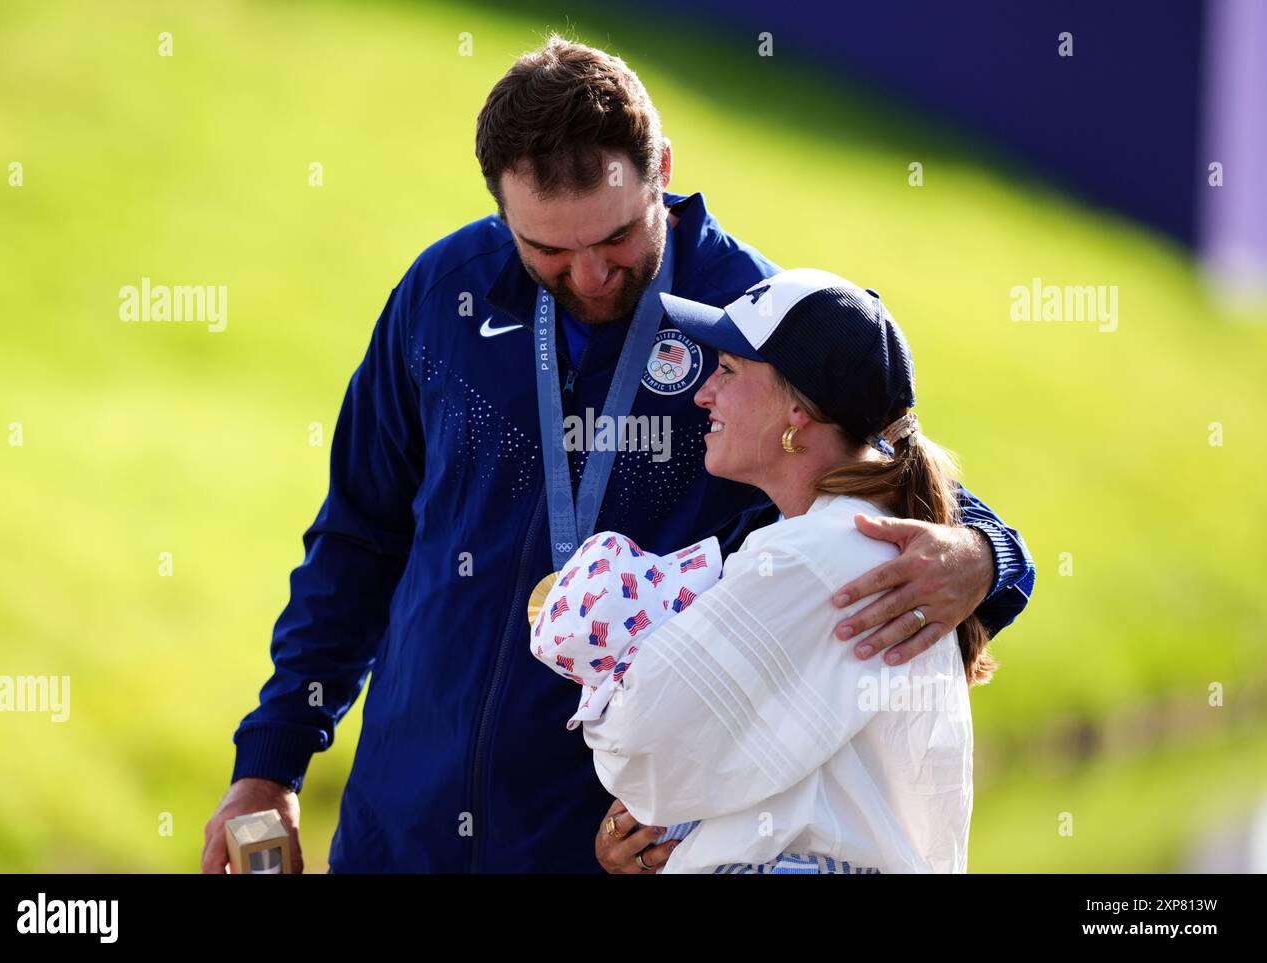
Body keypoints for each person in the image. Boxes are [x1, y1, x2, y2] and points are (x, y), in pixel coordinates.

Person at [201, 36, 1034, 875]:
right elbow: (357, 537)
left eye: (617, 239)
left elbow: (894, 475)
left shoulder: (751, 323)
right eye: (550, 254)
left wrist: (988, 557)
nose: (592, 276)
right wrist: (271, 761)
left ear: (662, 169)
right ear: (499, 209)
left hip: (610, 847)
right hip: (400, 832)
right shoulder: (440, 295)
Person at [534, 268, 988, 873]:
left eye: (728, 371)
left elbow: (640, 755)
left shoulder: (814, 554)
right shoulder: (841, 540)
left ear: (799, 409)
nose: (703, 394)